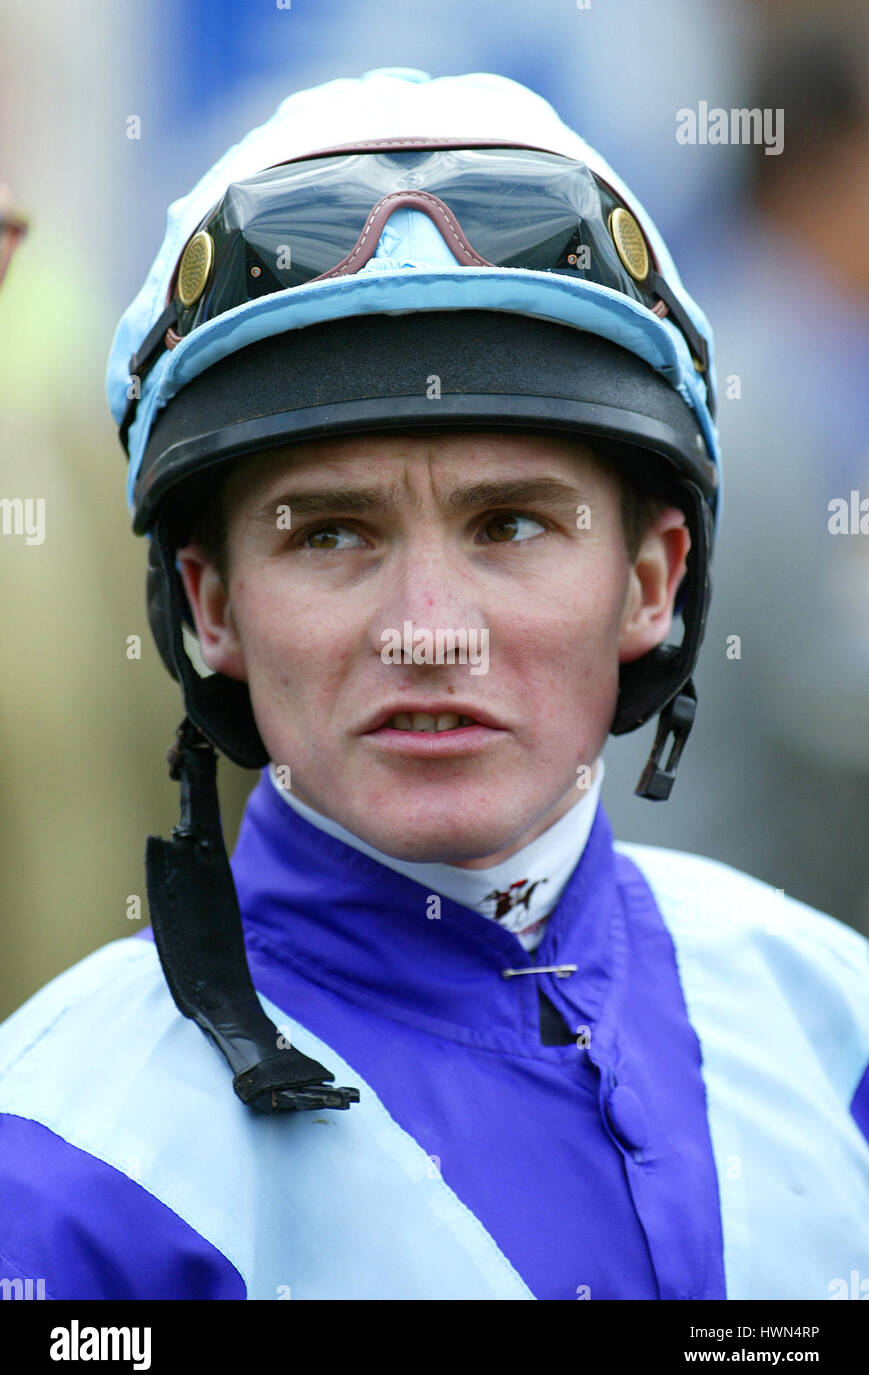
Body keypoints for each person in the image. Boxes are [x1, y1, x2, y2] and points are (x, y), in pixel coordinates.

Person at [0, 67, 866, 1302]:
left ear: (651, 581)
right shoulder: (55, 1172)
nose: (427, 633)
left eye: (509, 524)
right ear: (209, 604)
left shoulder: (832, 1019)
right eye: (330, 534)